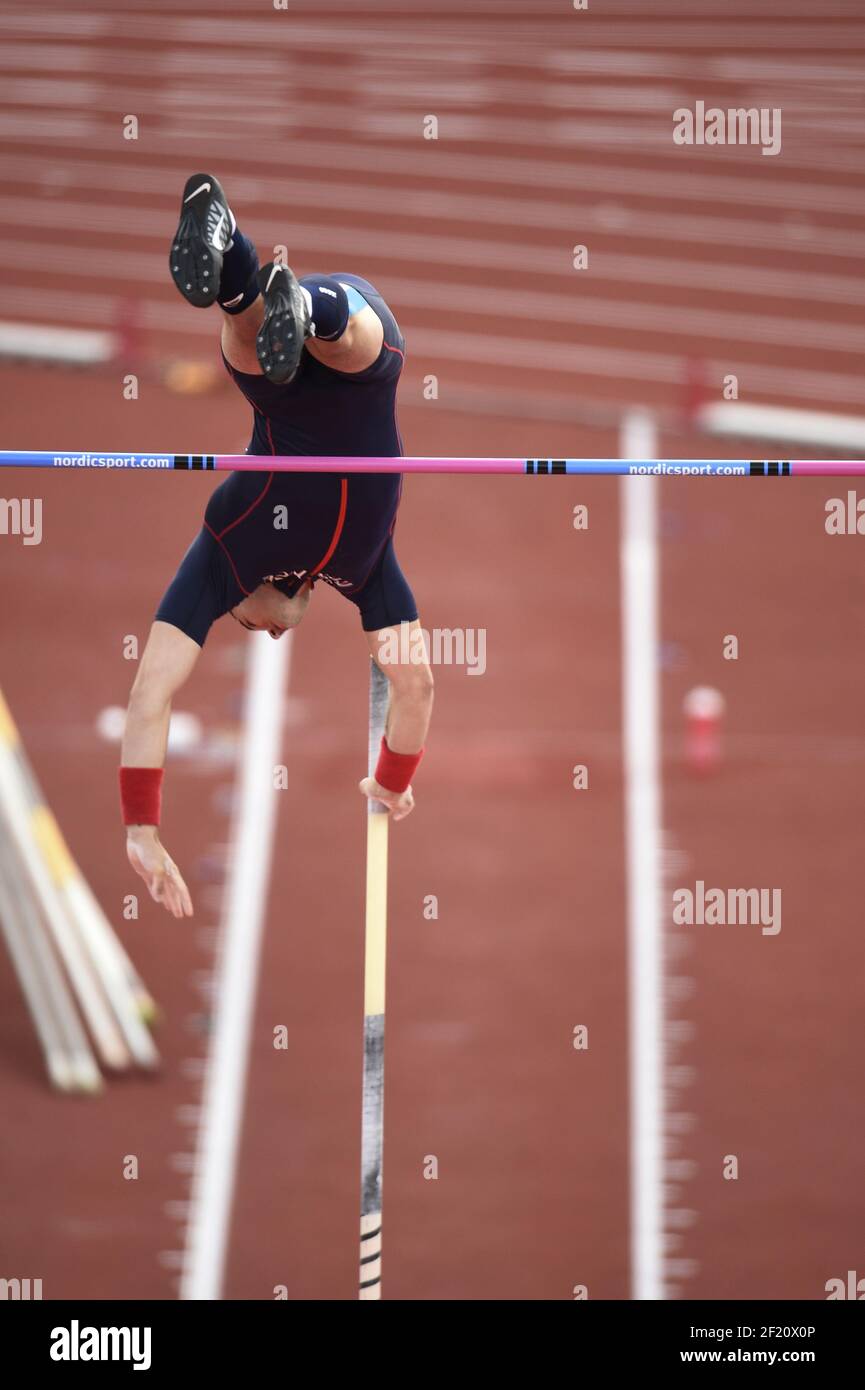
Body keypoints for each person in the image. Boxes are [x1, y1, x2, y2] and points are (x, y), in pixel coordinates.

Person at [120, 174, 433, 919]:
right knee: (318, 349)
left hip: (294, 369)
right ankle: (271, 290)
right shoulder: (364, 573)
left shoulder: (232, 548)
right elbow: (414, 685)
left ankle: (260, 282)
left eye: (241, 623)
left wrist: (143, 827)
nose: (256, 630)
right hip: (335, 355)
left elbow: (151, 692)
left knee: (260, 346)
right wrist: (390, 781)